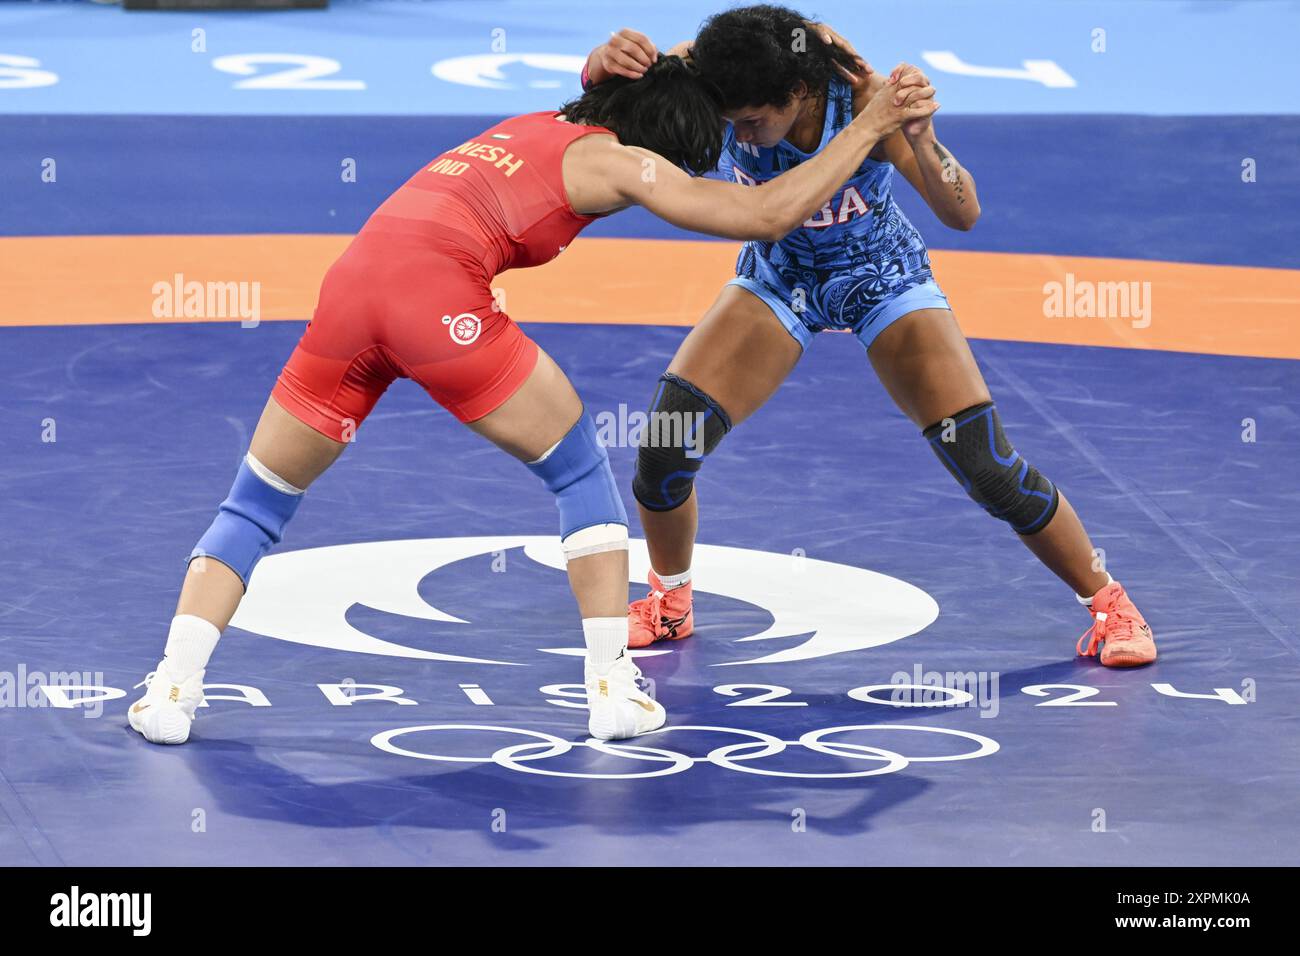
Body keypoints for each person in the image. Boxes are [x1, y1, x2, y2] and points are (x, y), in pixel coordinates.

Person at [127, 53, 941, 746]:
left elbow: (609, 85)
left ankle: (170, 691)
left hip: (350, 292)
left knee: (258, 503)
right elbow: (764, 212)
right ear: (658, 144)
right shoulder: (623, 161)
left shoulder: (534, 122)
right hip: (436, 308)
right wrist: (867, 126)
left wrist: (631, 58)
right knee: (580, 472)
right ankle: (613, 691)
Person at [584, 6, 1157, 667]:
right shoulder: (708, 70)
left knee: (986, 465)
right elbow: (603, 119)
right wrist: (602, 66)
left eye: (751, 122)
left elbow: (962, 210)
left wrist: (921, 136)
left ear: (797, 92)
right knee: (663, 450)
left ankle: (1110, 602)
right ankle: (670, 601)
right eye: (731, 121)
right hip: (780, 279)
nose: (738, 134)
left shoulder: (865, 103)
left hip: (881, 277)